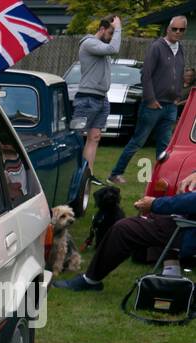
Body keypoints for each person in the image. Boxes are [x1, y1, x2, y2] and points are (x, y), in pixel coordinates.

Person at [54, 171, 196, 290]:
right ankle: (171, 272)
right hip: (187, 220)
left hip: (189, 227)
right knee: (153, 220)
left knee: (125, 228)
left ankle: (90, 280)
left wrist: (154, 204)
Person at [109, 16, 185, 184]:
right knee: (138, 141)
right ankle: (115, 173)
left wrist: (178, 96)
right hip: (152, 105)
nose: (178, 32)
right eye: (175, 29)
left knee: (164, 145)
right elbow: (146, 74)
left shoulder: (181, 49)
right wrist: (150, 99)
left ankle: (160, 178)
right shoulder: (157, 47)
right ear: (168, 29)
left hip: (170, 105)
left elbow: (180, 73)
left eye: (182, 30)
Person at [74, 16, 122, 178]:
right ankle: (74, 174)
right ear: (102, 30)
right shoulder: (89, 43)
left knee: (94, 137)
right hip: (87, 98)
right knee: (77, 138)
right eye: (110, 33)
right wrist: (119, 28)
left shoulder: (101, 45)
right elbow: (114, 49)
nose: (111, 37)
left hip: (102, 98)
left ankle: (88, 175)